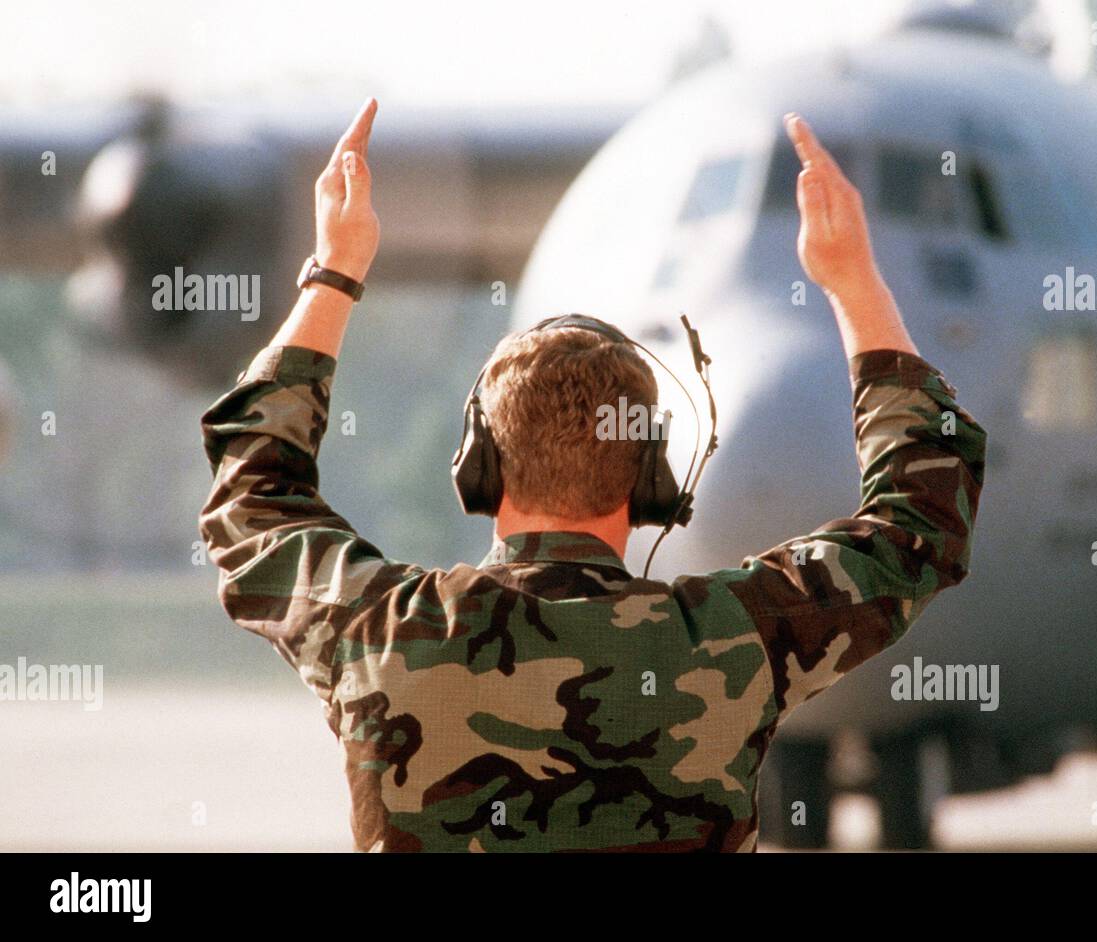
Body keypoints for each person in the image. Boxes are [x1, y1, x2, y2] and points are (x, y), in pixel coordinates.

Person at [199, 99, 987, 852]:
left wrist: (333, 274)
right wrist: (856, 286)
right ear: (651, 481)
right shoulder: (735, 638)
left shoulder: (383, 632)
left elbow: (251, 494)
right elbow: (920, 518)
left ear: (480, 468)